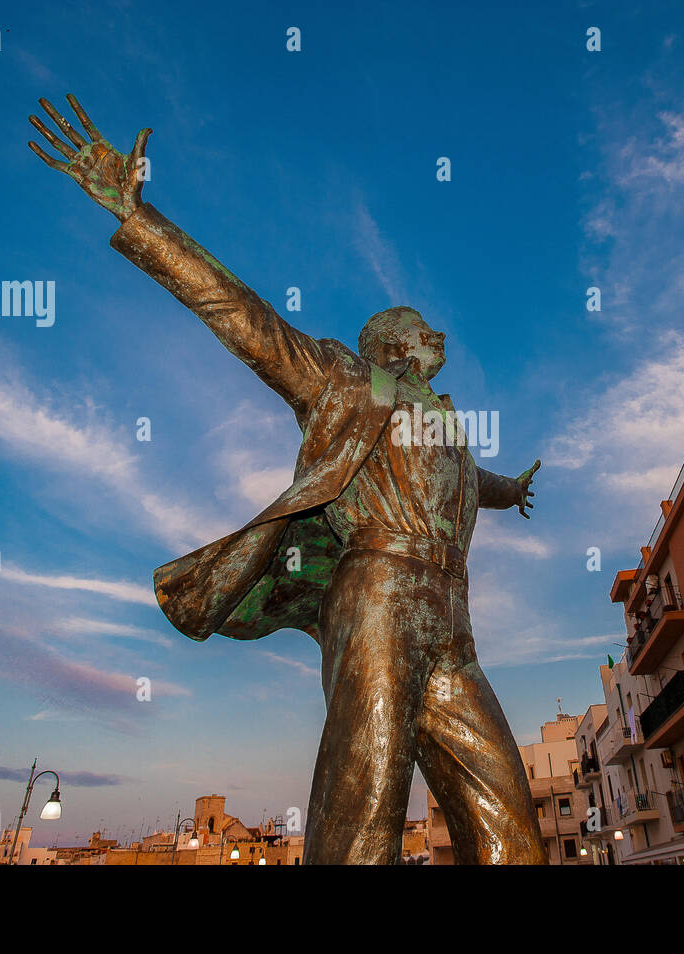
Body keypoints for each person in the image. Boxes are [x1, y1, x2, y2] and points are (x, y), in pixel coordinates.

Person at [29, 95, 546, 864]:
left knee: (508, 820)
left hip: (450, 617)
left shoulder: (444, 425)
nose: (437, 333)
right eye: (420, 325)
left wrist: (512, 490)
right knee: (365, 798)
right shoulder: (344, 380)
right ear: (391, 347)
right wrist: (138, 217)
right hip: (377, 592)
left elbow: (475, 480)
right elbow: (244, 316)